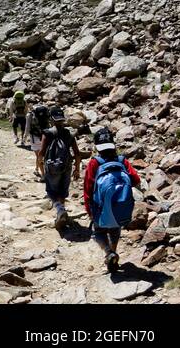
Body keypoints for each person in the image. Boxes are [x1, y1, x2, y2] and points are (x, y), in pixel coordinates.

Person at [83, 127, 141, 273]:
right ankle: (113, 254)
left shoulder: (94, 163)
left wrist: (88, 209)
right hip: (119, 206)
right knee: (115, 229)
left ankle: (109, 253)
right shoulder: (122, 160)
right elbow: (136, 179)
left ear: (97, 146)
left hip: (100, 207)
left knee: (99, 232)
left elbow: (88, 188)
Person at [40, 107, 82, 229]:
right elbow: (77, 154)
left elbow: (41, 153)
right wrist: (77, 169)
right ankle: (62, 213)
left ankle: (59, 210)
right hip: (66, 165)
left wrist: (40, 166)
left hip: (52, 166)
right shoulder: (69, 133)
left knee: (51, 191)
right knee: (62, 191)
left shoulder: (47, 133)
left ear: (51, 119)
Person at [25, 104, 48, 178]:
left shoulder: (30, 115)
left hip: (35, 138)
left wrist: (25, 137)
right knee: (41, 155)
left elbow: (27, 127)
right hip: (45, 136)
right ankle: (36, 169)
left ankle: (43, 175)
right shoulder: (45, 112)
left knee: (38, 156)